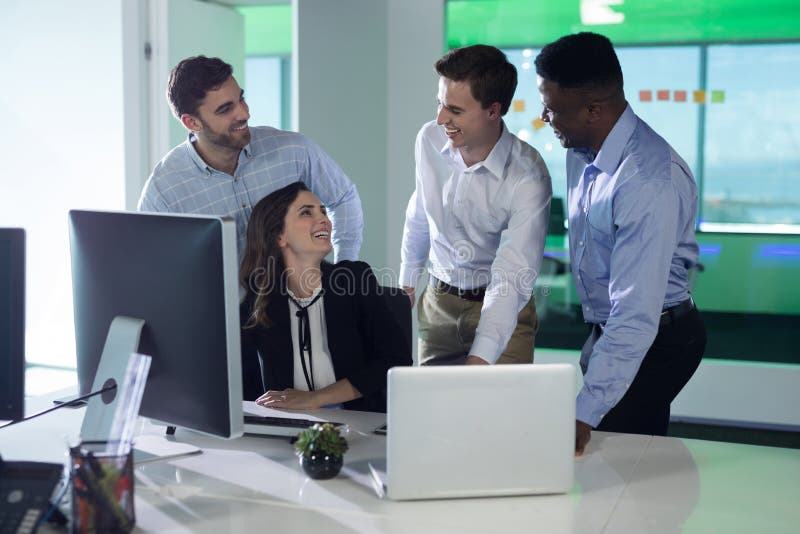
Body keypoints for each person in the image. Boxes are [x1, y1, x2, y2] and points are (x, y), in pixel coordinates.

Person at [534, 32, 707, 455]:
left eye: (552, 108)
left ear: (593, 109)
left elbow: (635, 312)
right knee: (633, 456)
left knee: (611, 454)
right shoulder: (581, 151)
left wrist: (584, 412)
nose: (544, 117)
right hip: (610, 327)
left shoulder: (647, 181)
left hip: (657, 336)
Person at [400, 44, 552, 366]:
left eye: (455, 111)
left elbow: (512, 275)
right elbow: (421, 211)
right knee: (431, 399)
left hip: (505, 308)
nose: (441, 119)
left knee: (498, 399)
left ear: (493, 111)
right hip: (438, 305)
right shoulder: (428, 139)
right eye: (439, 104)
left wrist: (481, 358)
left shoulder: (528, 176)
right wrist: (407, 283)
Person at [138, 55, 363, 263]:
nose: (244, 113)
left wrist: (345, 265)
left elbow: (343, 197)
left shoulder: (294, 150)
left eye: (241, 99)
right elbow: (151, 265)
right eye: (225, 109)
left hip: (301, 293)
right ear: (192, 122)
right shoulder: (163, 192)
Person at [239, 182, 411, 412]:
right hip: (288, 423)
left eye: (323, 211)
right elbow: (239, 380)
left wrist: (316, 398)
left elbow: (395, 359)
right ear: (279, 236)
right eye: (306, 212)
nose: (324, 220)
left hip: (357, 421)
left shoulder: (354, 278)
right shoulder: (258, 299)